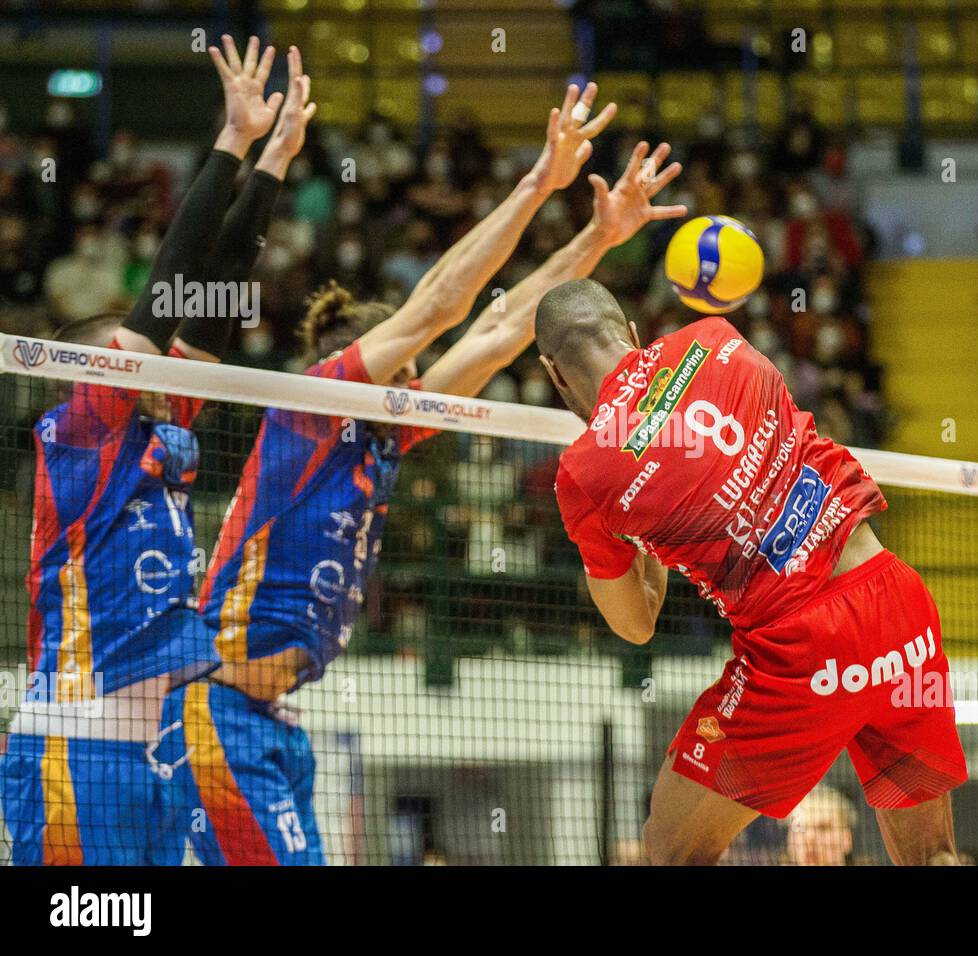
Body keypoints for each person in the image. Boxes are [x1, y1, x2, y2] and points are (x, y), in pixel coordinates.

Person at [155, 86, 687, 864]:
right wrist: (540, 180)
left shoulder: (381, 442)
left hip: (268, 719)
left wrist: (597, 239)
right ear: (372, 370)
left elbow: (504, 329)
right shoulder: (313, 409)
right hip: (216, 709)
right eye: (411, 374)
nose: (427, 387)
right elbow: (443, 304)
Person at [1, 35, 312, 865]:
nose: (158, 351)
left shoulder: (161, 413)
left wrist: (274, 164)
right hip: (75, 744)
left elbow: (210, 304)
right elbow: (171, 281)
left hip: (155, 747)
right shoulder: (81, 433)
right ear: (95, 365)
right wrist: (231, 143)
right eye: (134, 344)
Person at [535, 278, 967, 865]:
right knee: (934, 855)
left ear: (553, 373)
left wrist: (640, 538)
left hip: (804, 652)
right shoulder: (715, 336)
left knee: (671, 849)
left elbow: (636, 625)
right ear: (632, 332)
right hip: (899, 602)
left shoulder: (585, 475)